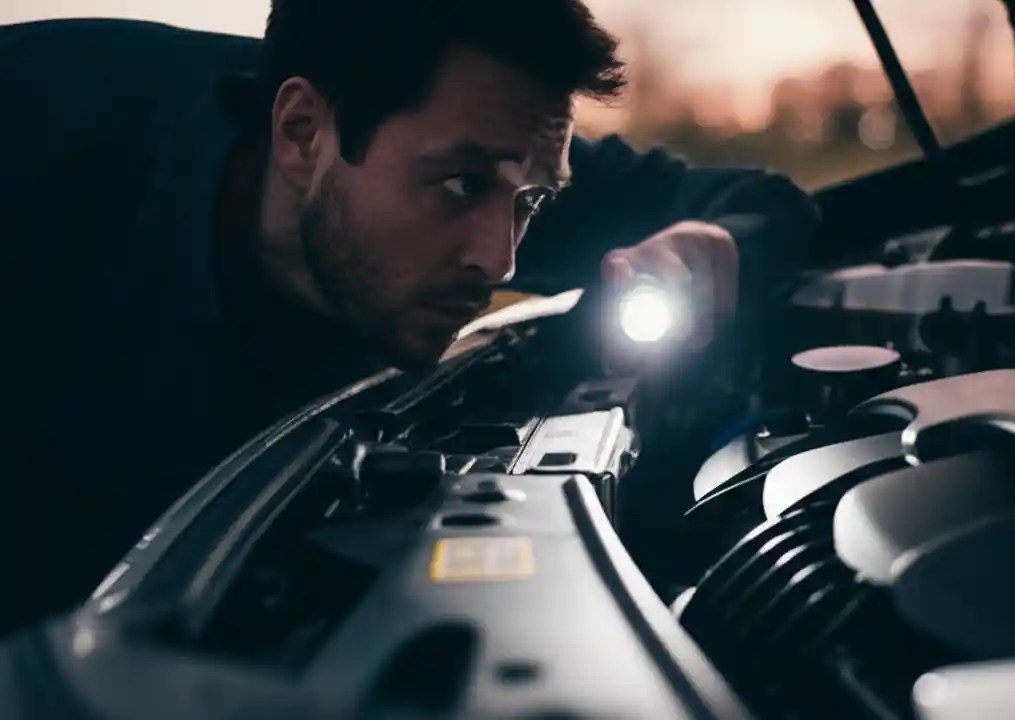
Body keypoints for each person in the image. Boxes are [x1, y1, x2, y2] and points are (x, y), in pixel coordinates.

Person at [0, 0, 818, 634]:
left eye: (534, 200)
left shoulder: (487, 145)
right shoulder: (36, 141)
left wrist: (700, 242)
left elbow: (756, 204)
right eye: (461, 186)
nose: (499, 261)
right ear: (300, 132)